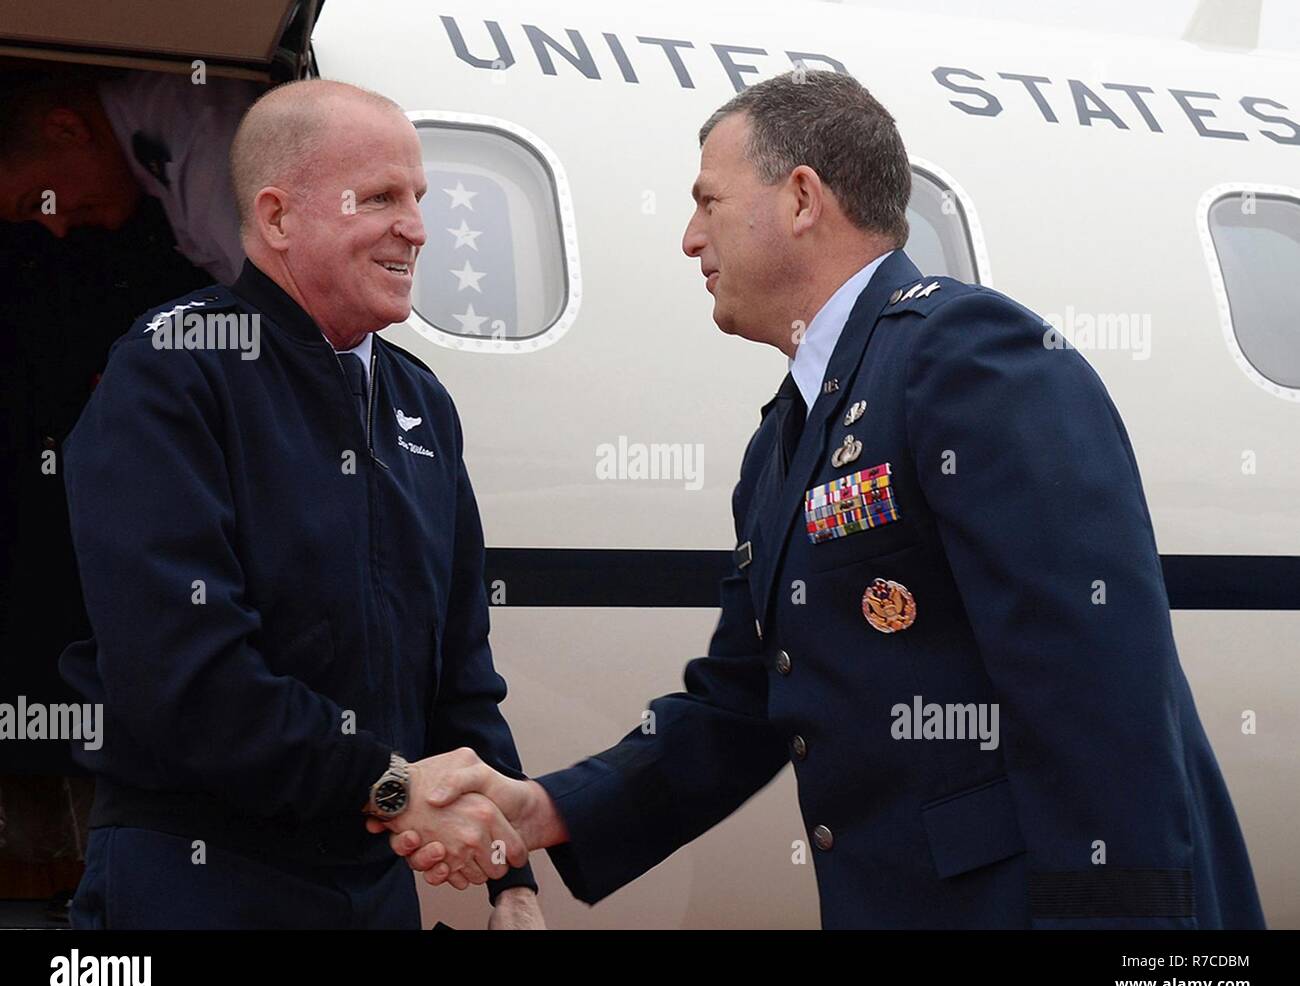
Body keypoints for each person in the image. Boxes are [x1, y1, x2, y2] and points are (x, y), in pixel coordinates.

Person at [382, 71, 1266, 930]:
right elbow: (739, 706)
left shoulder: (969, 358)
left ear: (802, 199)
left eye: (709, 202)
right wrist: (540, 809)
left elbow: (1098, 690)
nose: (690, 238)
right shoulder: (780, 447)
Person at [59, 79, 543, 929]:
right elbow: (189, 680)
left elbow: (462, 678)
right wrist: (393, 788)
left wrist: (511, 878)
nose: (418, 227)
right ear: (279, 217)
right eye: (384, 197)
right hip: (204, 882)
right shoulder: (173, 371)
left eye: (420, 199)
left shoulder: (421, 403)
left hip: (370, 885)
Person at [0, 66, 255, 283]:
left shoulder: (202, 146)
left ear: (67, 129)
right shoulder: (162, 118)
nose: (58, 228)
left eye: (38, 202)